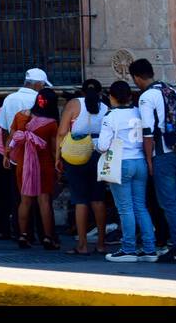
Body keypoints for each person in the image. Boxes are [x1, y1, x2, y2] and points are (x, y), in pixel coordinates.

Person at [131, 58, 176, 263]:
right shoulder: (172, 91)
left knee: (168, 203)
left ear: (136, 77)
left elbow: (148, 133)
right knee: (174, 201)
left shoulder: (147, 97)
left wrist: (149, 160)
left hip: (163, 155)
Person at [97, 80, 156, 262]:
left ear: (111, 97)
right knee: (140, 206)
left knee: (125, 209)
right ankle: (149, 249)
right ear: (130, 97)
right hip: (140, 162)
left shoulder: (110, 116)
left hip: (121, 163)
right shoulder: (139, 112)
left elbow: (102, 145)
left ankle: (128, 248)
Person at [0, 67, 52, 241]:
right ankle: (45, 234)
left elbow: (3, 128)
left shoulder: (10, 98)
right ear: (39, 84)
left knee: (20, 196)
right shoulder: (39, 99)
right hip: (38, 152)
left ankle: (23, 233)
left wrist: (7, 153)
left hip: (16, 153)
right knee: (42, 195)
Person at [55, 79, 108, 256]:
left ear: (82, 92)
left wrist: (57, 157)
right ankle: (101, 244)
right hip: (99, 153)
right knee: (98, 199)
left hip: (76, 153)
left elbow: (62, 132)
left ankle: (82, 245)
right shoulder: (106, 107)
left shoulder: (74, 104)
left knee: (80, 199)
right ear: (100, 93)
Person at [9, 87, 59, 249]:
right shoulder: (51, 123)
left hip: (23, 163)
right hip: (44, 164)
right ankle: (47, 238)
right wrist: (58, 163)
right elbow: (53, 148)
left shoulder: (20, 116)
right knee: (44, 201)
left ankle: (23, 235)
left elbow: (12, 137)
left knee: (24, 201)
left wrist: (6, 155)